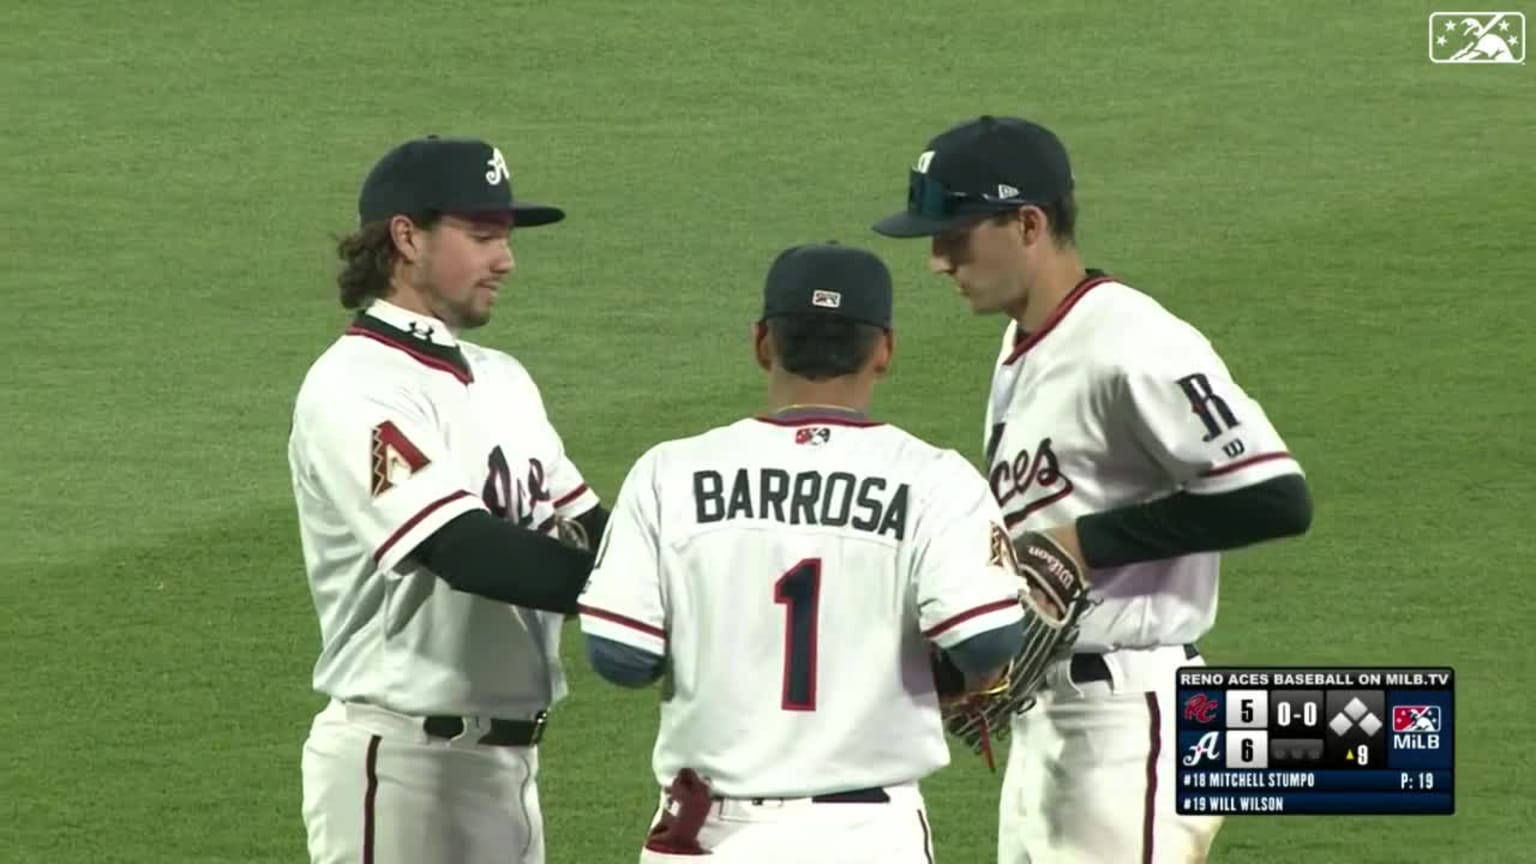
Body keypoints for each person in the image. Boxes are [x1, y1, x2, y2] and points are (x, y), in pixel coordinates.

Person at [872, 115, 1314, 864]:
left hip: (1131, 718)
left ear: (1028, 224)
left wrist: (1085, 543)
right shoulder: (1024, 342)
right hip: (1059, 720)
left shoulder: (1132, 341)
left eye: (955, 237)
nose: (938, 262)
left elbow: (1276, 496)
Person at [576, 243, 1028, 863]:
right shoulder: (936, 480)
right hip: (866, 838)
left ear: (763, 342)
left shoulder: (669, 473)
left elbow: (620, 656)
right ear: (884, 350)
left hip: (708, 832)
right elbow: (985, 645)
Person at [287, 135, 607, 864]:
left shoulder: (504, 380)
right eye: (483, 235)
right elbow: (463, 549)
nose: (507, 259)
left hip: (508, 771)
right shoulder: (355, 387)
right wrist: (645, 592)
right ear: (407, 237)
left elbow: (591, 531)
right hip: (404, 769)